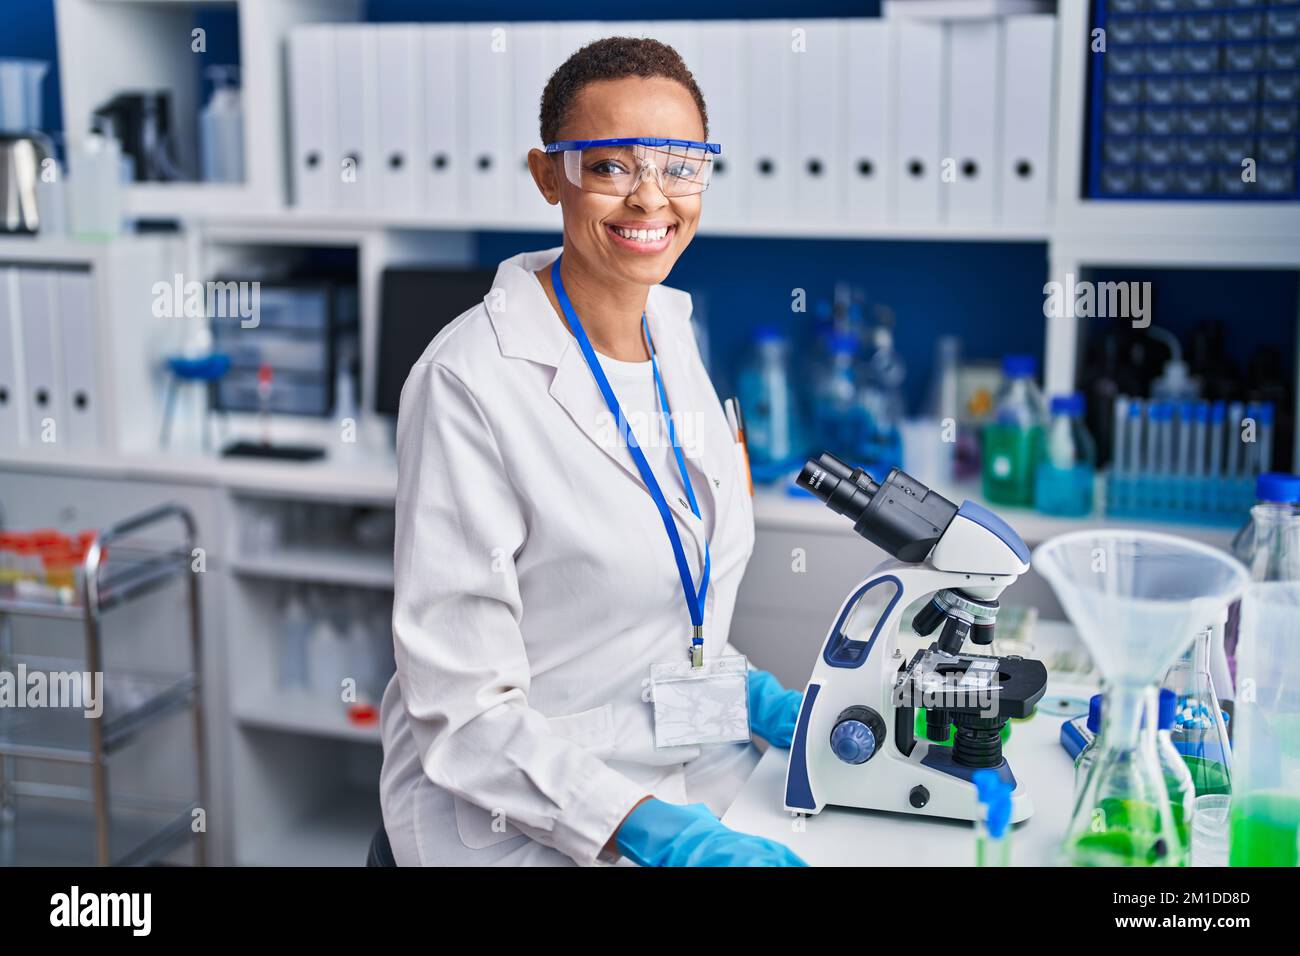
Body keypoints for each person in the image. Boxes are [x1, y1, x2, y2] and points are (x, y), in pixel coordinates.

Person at [379, 35, 805, 867]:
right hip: (510, 817)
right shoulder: (469, 381)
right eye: (611, 166)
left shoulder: (671, 335)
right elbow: (464, 716)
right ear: (548, 175)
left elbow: (672, 607)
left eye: (682, 165)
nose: (652, 199)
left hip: (677, 761)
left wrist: (751, 696)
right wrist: (657, 833)